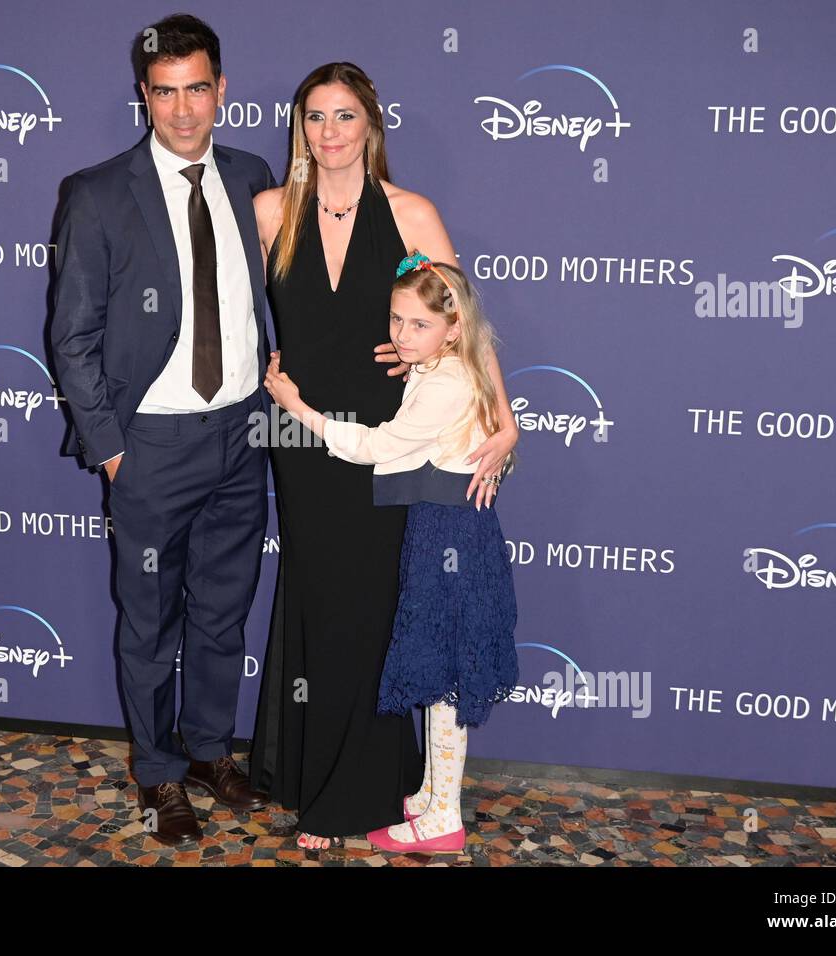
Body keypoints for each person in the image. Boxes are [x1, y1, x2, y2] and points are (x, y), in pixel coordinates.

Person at [247, 63, 519, 849]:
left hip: (386, 445)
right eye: (314, 118)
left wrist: (504, 421)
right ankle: (311, 772)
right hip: (299, 441)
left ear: (371, 124)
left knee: (371, 612)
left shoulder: (410, 213)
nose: (329, 132)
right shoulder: (270, 212)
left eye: (344, 116)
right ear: (299, 128)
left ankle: (353, 795)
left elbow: (466, 324)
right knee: (316, 605)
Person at [49, 14, 275, 846]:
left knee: (224, 610)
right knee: (149, 620)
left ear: (222, 90)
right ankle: (157, 775)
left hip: (244, 437)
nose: (183, 111)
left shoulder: (255, 177)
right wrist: (110, 446)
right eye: (164, 92)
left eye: (198, 89)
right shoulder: (98, 192)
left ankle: (211, 749)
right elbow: (70, 335)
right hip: (150, 443)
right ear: (142, 97)